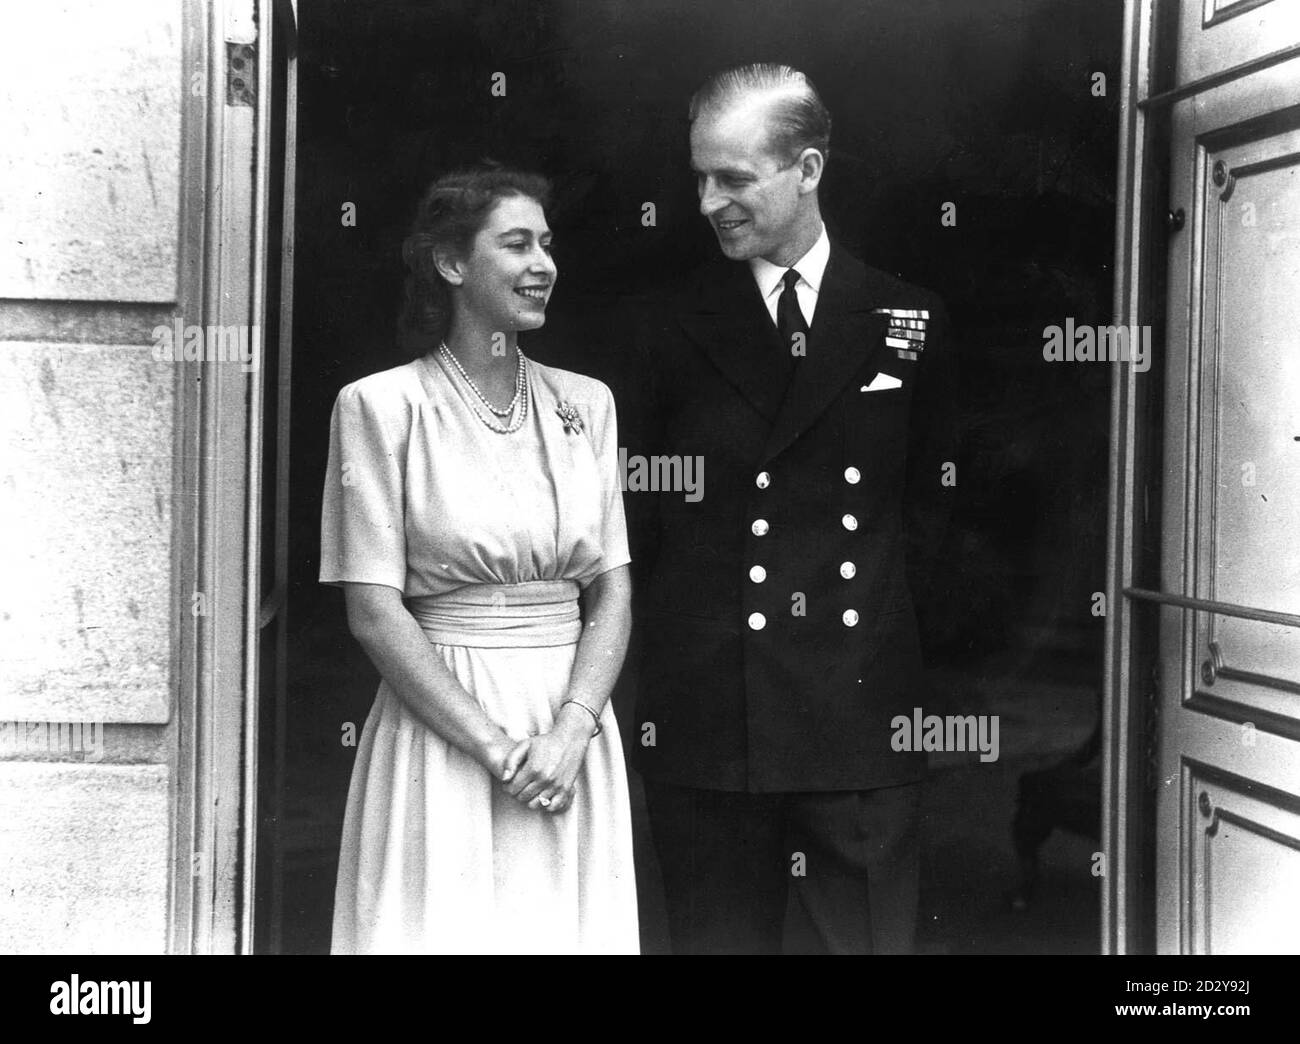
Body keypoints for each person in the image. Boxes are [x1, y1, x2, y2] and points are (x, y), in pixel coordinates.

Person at [627, 64, 959, 954]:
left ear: (808, 170)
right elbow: (636, 522)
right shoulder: (667, 326)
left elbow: (940, 521)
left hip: (855, 718)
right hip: (708, 718)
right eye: (700, 177)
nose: (707, 202)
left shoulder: (907, 317)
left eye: (735, 179)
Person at [319, 164, 638, 954]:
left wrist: (569, 733)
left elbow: (613, 591)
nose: (544, 265)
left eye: (548, 245)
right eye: (518, 244)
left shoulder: (585, 404)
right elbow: (371, 609)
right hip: (444, 730)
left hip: (569, 734)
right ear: (452, 263)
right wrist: (496, 749)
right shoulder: (381, 407)